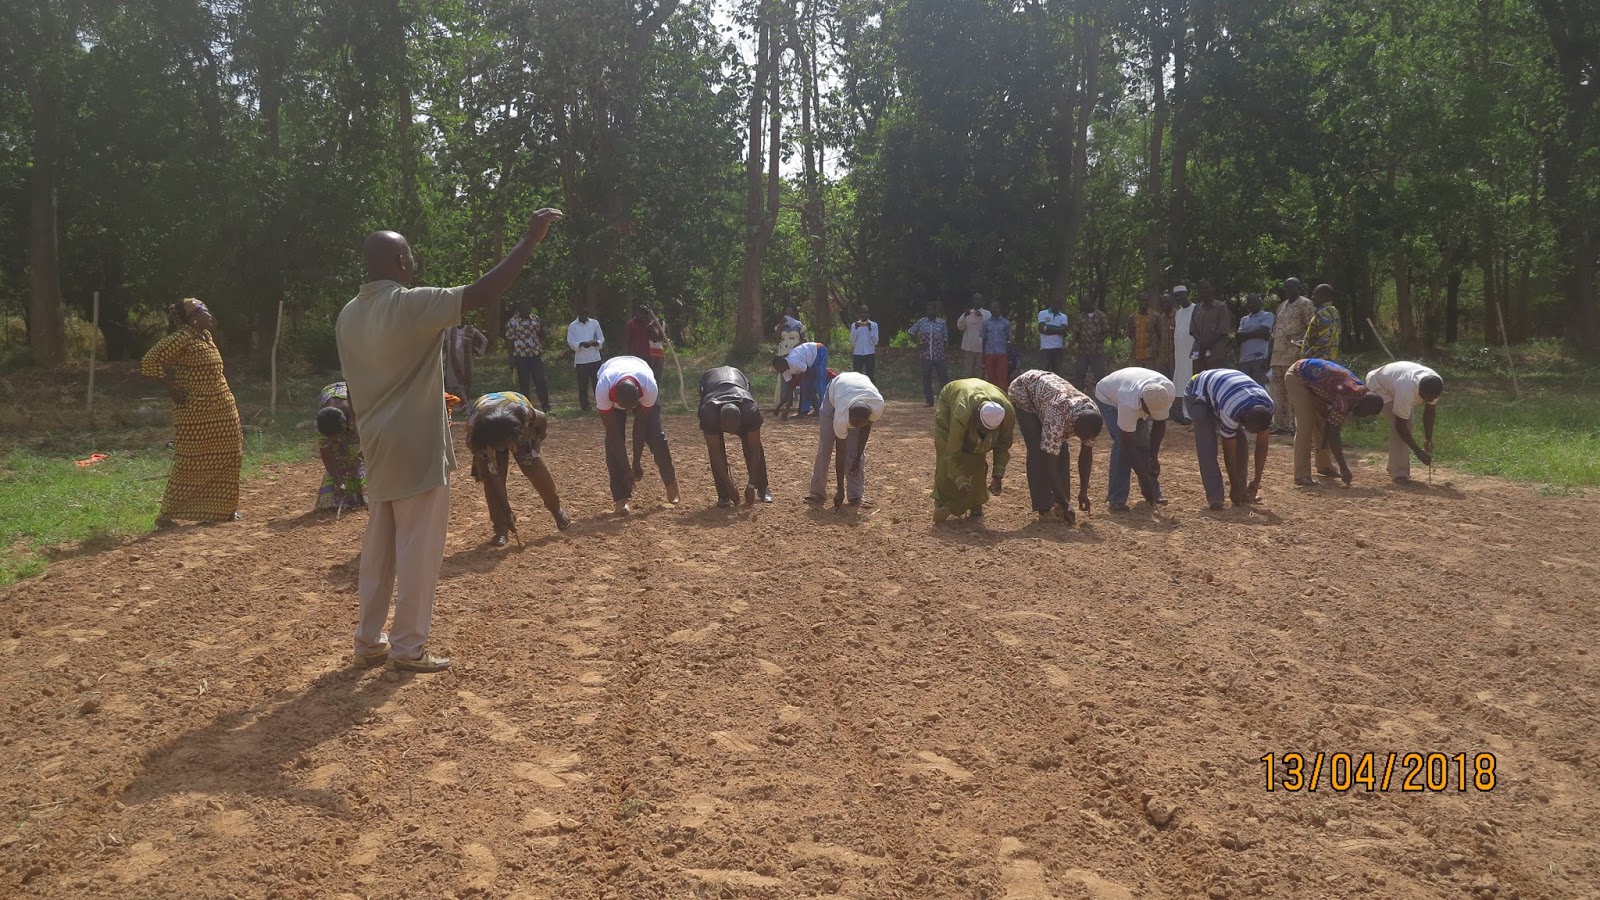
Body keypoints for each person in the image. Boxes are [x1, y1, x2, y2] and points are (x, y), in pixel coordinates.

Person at [337, 207, 564, 672]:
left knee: (379, 546)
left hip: (376, 442)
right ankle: (408, 647)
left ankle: (368, 640)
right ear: (401, 260)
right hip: (417, 445)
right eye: (410, 254)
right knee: (419, 548)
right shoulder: (410, 303)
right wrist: (529, 240)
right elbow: (482, 292)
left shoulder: (348, 316)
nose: (414, 260)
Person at [140, 298, 243, 527]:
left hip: (222, 408)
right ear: (194, 317)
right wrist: (172, 388)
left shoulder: (205, 337)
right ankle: (167, 515)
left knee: (229, 455)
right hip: (196, 413)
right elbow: (150, 361)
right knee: (191, 461)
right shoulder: (181, 338)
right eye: (205, 311)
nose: (210, 315)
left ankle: (222, 510)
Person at [465, 391, 571, 547]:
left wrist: (538, 442)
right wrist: (507, 511)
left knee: (532, 465)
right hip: (487, 432)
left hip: (515, 419)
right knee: (491, 479)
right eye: (498, 447)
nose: (503, 450)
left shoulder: (522, 415)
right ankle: (501, 528)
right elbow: (494, 477)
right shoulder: (475, 436)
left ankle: (556, 508)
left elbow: (541, 419)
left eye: (505, 444)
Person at [1006, 370, 1102, 525]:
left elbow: (1086, 455)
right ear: (1074, 426)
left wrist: (1083, 492)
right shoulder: (1057, 418)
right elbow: (1049, 462)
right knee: (1039, 452)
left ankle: (1059, 504)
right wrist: (1066, 504)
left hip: (1048, 395)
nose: (1084, 440)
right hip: (1024, 391)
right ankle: (1044, 508)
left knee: (1062, 451)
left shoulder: (1092, 415)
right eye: (1081, 436)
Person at [597, 354, 679, 513]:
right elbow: (613, 433)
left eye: (632, 407)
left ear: (638, 398)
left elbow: (640, 425)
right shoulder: (603, 388)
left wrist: (636, 462)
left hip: (640, 372)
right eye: (624, 407)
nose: (628, 411)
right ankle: (621, 498)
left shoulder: (649, 387)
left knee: (656, 436)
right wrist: (627, 469)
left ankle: (671, 483)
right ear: (616, 400)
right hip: (612, 376)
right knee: (612, 444)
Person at [1283, 357, 1385, 486]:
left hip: (1314, 379)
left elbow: (1331, 425)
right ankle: (1301, 475)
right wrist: (1344, 467)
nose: (1364, 417)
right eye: (1367, 413)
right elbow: (1334, 433)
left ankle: (1324, 467)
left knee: (1322, 423)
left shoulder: (1359, 392)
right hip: (1298, 375)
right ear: (1365, 405)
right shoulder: (1345, 397)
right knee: (1306, 426)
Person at [1185, 369, 1274, 510]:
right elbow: (1228, 453)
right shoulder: (1231, 410)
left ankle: (1243, 492)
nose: (1254, 434)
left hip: (1226, 391)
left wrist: (1256, 481)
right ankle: (1215, 497)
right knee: (1207, 443)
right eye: (1251, 430)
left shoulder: (1267, 407)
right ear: (1242, 421)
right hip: (1198, 392)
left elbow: (1262, 446)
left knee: (1241, 441)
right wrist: (1233, 485)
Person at [932, 379, 1016, 522]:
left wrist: (998, 475)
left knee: (978, 451)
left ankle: (976, 504)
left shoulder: (1007, 413)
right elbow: (952, 452)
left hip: (980, 393)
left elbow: (1003, 445)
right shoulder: (962, 413)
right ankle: (943, 503)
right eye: (982, 427)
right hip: (953, 396)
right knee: (945, 447)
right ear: (977, 416)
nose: (984, 432)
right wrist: (960, 480)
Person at [1093, 366, 1173, 511]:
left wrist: (1154, 457)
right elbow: (1128, 443)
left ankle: (1154, 492)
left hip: (1131, 383)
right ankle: (1117, 499)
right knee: (1121, 445)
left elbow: (1159, 424)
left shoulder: (1167, 391)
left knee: (1143, 442)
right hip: (1107, 397)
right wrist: (1144, 478)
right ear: (1142, 402)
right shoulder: (1128, 402)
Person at [805, 371, 885, 508]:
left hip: (857, 387)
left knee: (854, 452)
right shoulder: (841, 415)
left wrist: (857, 457)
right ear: (848, 417)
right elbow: (840, 452)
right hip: (836, 391)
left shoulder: (877, 406)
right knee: (825, 447)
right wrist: (839, 490)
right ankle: (817, 492)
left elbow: (865, 432)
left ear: (868, 417)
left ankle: (856, 495)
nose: (855, 428)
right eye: (853, 424)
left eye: (860, 424)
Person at [697, 366, 772, 507]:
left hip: (739, 382)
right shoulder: (709, 414)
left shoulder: (750, 410)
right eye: (727, 430)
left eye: (736, 429)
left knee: (751, 445)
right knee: (716, 448)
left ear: (741, 421)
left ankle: (762, 488)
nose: (732, 433)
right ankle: (724, 495)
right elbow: (714, 451)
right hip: (710, 386)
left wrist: (750, 485)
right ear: (720, 423)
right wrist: (729, 485)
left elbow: (755, 448)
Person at [1365, 361, 1444, 482]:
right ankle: (1398, 473)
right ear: (1420, 391)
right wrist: (1418, 452)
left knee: (1408, 426)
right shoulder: (1406, 389)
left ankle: (1395, 467)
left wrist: (1428, 438)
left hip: (1394, 381)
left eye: (1433, 398)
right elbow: (1400, 426)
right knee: (1403, 427)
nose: (1430, 400)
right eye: (1427, 397)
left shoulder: (1435, 384)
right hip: (1379, 385)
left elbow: (1429, 412)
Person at [1269, 278, 1315, 434]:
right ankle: (1282, 425)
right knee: (1278, 391)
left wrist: (1304, 349)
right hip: (1277, 356)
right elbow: (1275, 331)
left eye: (1291, 286)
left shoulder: (1305, 304)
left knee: (1293, 390)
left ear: (1298, 287)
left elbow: (1311, 328)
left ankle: (1296, 426)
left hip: (1294, 354)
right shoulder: (1281, 306)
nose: (1287, 289)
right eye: (1286, 287)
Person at [315, 381, 366, 512]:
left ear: (344, 427)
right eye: (330, 438)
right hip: (330, 393)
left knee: (354, 453)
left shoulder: (358, 415)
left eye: (337, 437)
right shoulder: (323, 424)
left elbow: (370, 441)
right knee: (328, 504)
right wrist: (338, 481)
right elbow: (327, 454)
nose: (335, 440)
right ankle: (344, 488)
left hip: (352, 411)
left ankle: (360, 487)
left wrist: (359, 459)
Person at [505, 302, 551, 412]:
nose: (528, 310)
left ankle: (545, 406)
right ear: (519, 309)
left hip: (535, 354)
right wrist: (510, 358)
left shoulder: (535, 319)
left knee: (540, 380)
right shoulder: (513, 322)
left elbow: (541, 334)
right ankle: (526, 408)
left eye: (530, 308)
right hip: (521, 356)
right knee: (524, 383)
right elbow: (509, 341)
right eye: (526, 308)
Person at [772, 339, 830, 417]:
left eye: (779, 369)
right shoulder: (784, 371)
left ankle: (824, 410)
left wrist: (811, 388)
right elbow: (789, 389)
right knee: (805, 386)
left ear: (784, 364)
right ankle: (805, 411)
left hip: (818, 350)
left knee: (819, 382)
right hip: (808, 362)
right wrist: (786, 409)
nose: (780, 371)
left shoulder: (794, 362)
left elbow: (811, 372)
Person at [907, 303, 949, 406]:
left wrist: (943, 350)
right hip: (925, 355)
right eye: (928, 310)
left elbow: (945, 338)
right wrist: (918, 343)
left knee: (943, 378)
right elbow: (911, 332)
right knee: (926, 378)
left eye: (932, 310)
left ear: (936, 311)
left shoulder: (941, 323)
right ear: (926, 311)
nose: (930, 312)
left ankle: (946, 401)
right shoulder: (922, 322)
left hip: (939, 355)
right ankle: (929, 401)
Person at [567, 304, 606, 411]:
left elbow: (601, 338)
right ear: (578, 314)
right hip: (581, 359)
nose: (584, 315)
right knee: (582, 385)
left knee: (597, 383)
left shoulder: (594, 323)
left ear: (588, 313)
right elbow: (570, 342)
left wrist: (596, 343)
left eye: (586, 313)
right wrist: (580, 344)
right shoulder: (572, 326)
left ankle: (601, 404)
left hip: (595, 358)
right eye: (582, 313)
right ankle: (585, 406)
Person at [1189, 283, 1230, 373]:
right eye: (1202, 289)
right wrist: (1201, 343)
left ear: (1212, 290)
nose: (1204, 291)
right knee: (1197, 377)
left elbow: (1223, 329)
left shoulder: (1221, 307)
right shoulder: (1197, 307)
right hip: (1198, 350)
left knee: (1213, 378)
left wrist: (1208, 343)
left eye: (1207, 288)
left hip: (1215, 350)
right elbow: (1192, 329)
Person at [444, 320, 488, 403]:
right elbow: (441, 339)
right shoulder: (449, 330)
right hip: (452, 361)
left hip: (467, 360)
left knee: (467, 382)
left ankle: (465, 402)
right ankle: (464, 404)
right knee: (455, 383)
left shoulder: (471, 330)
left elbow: (484, 340)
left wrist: (479, 352)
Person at [1236, 294, 1275, 385]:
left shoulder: (1268, 315)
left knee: (1259, 386)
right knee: (1245, 387)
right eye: (1249, 302)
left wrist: (1246, 335)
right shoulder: (1244, 319)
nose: (1252, 305)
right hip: (1244, 359)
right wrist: (1258, 334)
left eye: (1255, 302)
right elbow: (1238, 336)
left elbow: (1264, 330)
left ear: (1260, 303)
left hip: (1259, 358)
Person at [1170, 286, 1195, 423]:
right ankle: (1186, 414)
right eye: (1177, 296)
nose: (1179, 298)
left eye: (1181, 295)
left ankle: (1192, 414)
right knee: (1182, 381)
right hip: (1180, 354)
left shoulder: (1196, 309)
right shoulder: (1178, 312)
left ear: (1186, 294)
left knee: (1192, 380)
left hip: (1192, 353)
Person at [1073, 299, 1111, 389]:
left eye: (1087, 304)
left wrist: (1098, 341)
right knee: (1079, 375)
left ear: (1092, 304)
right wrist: (1080, 342)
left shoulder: (1101, 316)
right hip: (1083, 351)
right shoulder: (1081, 317)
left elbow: (1106, 331)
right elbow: (1076, 332)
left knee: (1100, 376)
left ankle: (1103, 397)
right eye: (1084, 304)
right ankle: (1079, 397)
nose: (1085, 306)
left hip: (1096, 351)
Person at [624, 304, 667, 379]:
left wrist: (650, 324)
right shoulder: (630, 324)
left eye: (645, 313)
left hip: (645, 357)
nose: (642, 315)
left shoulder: (647, 325)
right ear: (637, 312)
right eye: (641, 312)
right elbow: (626, 341)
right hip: (633, 356)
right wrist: (626, 356)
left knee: (647, 377)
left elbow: (656, 339)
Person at [1302, 283, 1342, 360]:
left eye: (1315, 295)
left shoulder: (1324, 313)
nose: (1312, 297)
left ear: (1324, 297)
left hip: (1320, 359)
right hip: (1330, 358)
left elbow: (1325, 339)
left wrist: (1308, 354)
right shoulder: (1334, 311)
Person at [956, 294, 991, 377]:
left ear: (982, 302)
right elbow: (960, 326)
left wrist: (981, 317)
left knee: (979, 371)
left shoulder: (987, 314)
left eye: (979, 300)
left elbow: (990, 328)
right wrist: (964, 315)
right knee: (968, 371)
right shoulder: (968, 313)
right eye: (975, 299)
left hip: (981, 347)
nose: (976, 302)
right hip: (969, 347)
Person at [981, 302, 1014, 387]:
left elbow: (1008, 339)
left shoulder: (1006, 323)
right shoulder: (986, 323)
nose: (994, 309)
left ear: (1000, 309)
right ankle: (992, 397)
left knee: (1002, 378)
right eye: (992, 308)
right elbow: (984, 339)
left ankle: (1003, 397)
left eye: (995, 307)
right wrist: (983, 355)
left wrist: (1009, 355)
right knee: (991, 378)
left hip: (1002, 354)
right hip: (989, 353)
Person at [1127, 292, 1161, 371]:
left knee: (1151, 379)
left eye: (1146, 300)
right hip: (1137, 356)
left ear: (1149, 302)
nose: (1144, 303)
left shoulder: (1155, 316)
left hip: (1151, 357)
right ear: (1139, 302)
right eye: (1142, 300)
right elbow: (1130, 334)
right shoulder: (1132, 317)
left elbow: (1160, 334)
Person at [1038, 302, 1069, 374]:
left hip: (1058, 348)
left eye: (1058, 303)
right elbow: (1041, 329)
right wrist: (1058, 330)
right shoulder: (1042, 313)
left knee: (1057, 374)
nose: (1056, 304)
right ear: (1051, 303)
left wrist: (1048, 328)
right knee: (1043, 373)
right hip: (1045, 348)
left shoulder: (1063, 316)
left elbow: (1063, 330)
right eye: (1055, 302)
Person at [850, 305, 881, 379]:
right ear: (859, 314)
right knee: (856, 375)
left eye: (866, 313)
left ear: (869, 314)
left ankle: (870, 389)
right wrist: (856, 329)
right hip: (858, 352)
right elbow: (852, 340)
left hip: (869, 352)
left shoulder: (874, 325)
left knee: (870, 374)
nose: (864, 315)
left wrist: (870, 329)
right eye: (862, 313)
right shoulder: (854, 325)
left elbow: (876, 341)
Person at [1155, 293, 1176, 379]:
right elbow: (1159, 335)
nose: (1165, 305)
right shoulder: (1161, 317)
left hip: (1174, 358)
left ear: (1172, 302)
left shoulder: (1177, 315)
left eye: (1167, 302)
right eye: (1163, 303)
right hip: (1163, 358)